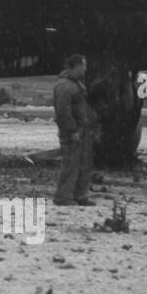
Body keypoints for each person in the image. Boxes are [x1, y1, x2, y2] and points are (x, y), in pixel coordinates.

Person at [53, 53, 96, 205]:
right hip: (73, 132)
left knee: (84, 164)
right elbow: (63, 112)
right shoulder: (64, 86)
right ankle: (63, 197)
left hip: (82, 131)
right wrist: (72, 131)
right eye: (83, 66)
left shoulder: (77, 84)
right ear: (76, 66)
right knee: (71, 164)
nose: (85, 70)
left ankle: (80, 195)